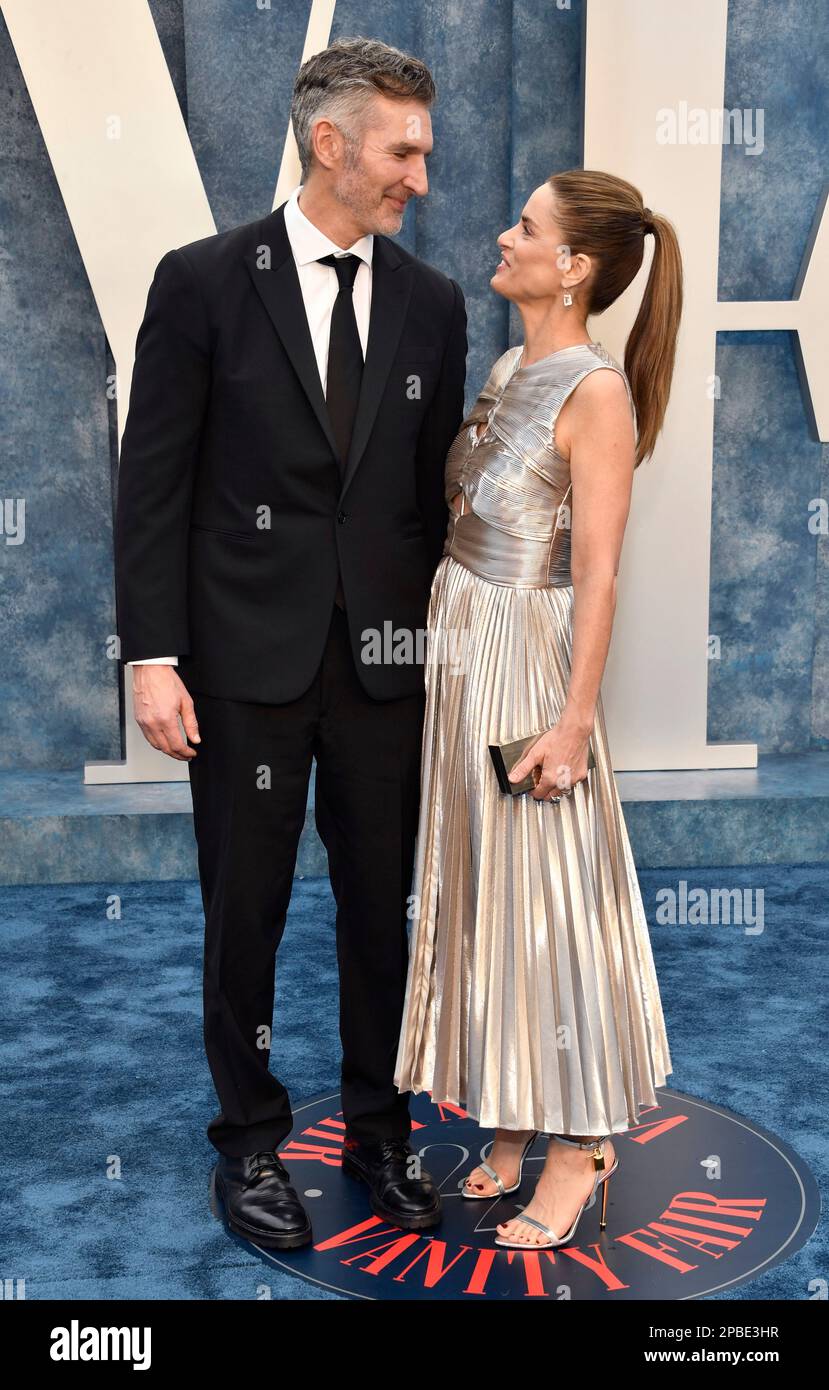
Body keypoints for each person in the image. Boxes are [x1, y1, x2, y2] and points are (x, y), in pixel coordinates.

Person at [113, 37, 467, 1248]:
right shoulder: (205, 281)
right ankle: (250, 1142)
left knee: (384, 911)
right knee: (244, 912)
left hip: (383, 671)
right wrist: (150, 656)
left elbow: (424, 504)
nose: (421, 174)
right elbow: (152, 482)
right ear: (332, 143)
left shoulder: (433, 303)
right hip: (240, 668)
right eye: (404, 149)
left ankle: (380, 1130)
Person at [394, 169, 682, 1248]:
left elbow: (598, 574)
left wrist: (570, 723)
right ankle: (512, 1111)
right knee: (483, 888)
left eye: (526, 225)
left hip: (526, 659)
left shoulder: (595, 392)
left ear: (575, 267)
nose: (502, 235)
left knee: (548, 899)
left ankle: (579, 1148)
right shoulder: (517, 360)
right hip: (466, 647)